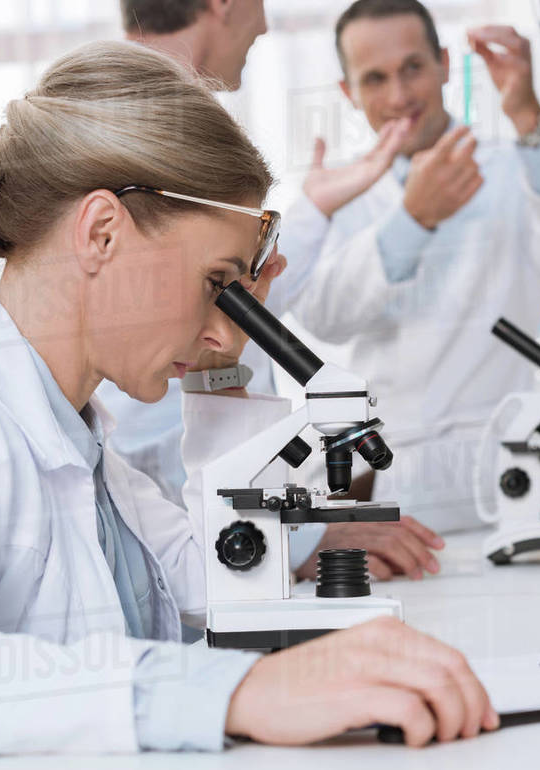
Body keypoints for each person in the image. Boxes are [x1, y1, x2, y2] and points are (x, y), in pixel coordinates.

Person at [0, 42, 496, 770]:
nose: (224, 325)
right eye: (216, 284)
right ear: (101, 233)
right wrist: (233, 693)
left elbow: (217, 571)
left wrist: (228, 348)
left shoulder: (87, 453)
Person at [101, 0, 443, 582]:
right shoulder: (143, 133)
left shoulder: (165, 121)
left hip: (206, 532)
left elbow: (236, 300)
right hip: (181, 551)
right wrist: (300, 536)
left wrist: (314, 208)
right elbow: (156, 405)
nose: (265, 22)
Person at [290, 0, 540, 532]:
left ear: (445, 64)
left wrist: (529, 118)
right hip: (394, 480)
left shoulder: (516, 165)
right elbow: (323, 317)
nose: (399, 96)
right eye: (375, 79)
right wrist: (413, 220)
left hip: (504, 470)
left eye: (413, 68)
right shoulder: (345, 193)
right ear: (347, 93)